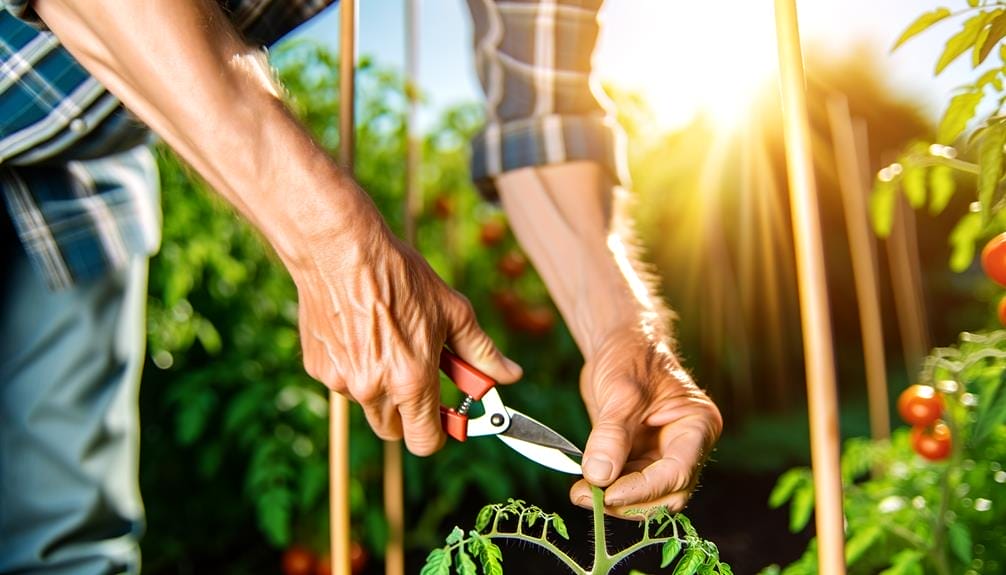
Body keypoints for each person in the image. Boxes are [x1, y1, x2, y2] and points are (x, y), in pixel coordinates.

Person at [0, 0, 722, 571]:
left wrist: (629, 333)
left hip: (83, 161)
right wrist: (329, 236)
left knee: (69, 538)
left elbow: (542, 113)